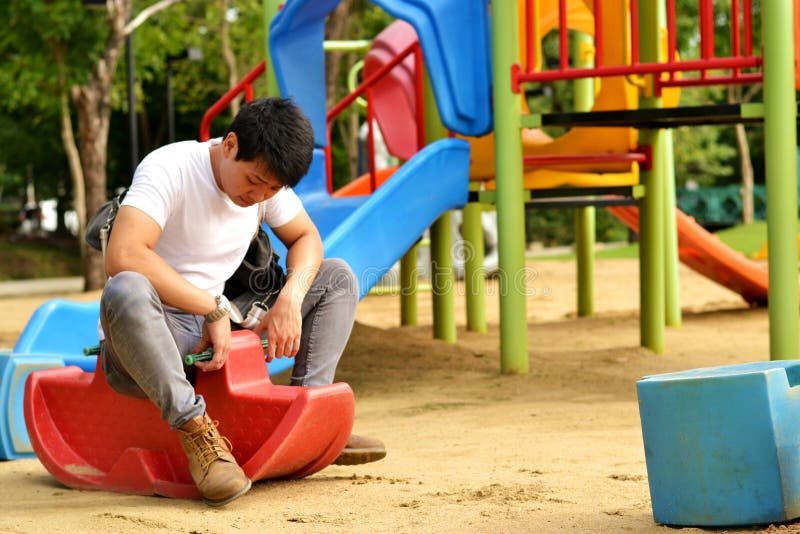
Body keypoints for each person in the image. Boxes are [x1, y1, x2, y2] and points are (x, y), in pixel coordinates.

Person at [99, 97, 385, 507]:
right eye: (254, 181)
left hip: (220, 325)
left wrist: (291, 298)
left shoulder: (266, 183)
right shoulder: (170, 167)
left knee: (336, 276)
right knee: (125, 287)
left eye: (272, 189)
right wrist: (209, 306)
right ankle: (196, 432)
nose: (259, 195)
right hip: (153, 332)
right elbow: (124, 253)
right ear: (230, 144)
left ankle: (309, 421)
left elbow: (306, 238)